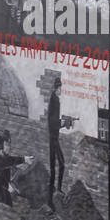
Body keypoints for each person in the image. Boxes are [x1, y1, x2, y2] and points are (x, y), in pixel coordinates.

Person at [47, 77, 66, 209]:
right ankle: (57, 189)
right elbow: (52, 121)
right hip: (53, 138)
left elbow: (53, 121)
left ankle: (51, 196)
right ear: (57, 88)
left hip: (53, 137)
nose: (61, 91)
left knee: (54, 168)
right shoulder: (55, 101)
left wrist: (63, 123)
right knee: (62, 164)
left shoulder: (54, 100)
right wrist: (62, 123)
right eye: (60, 89)